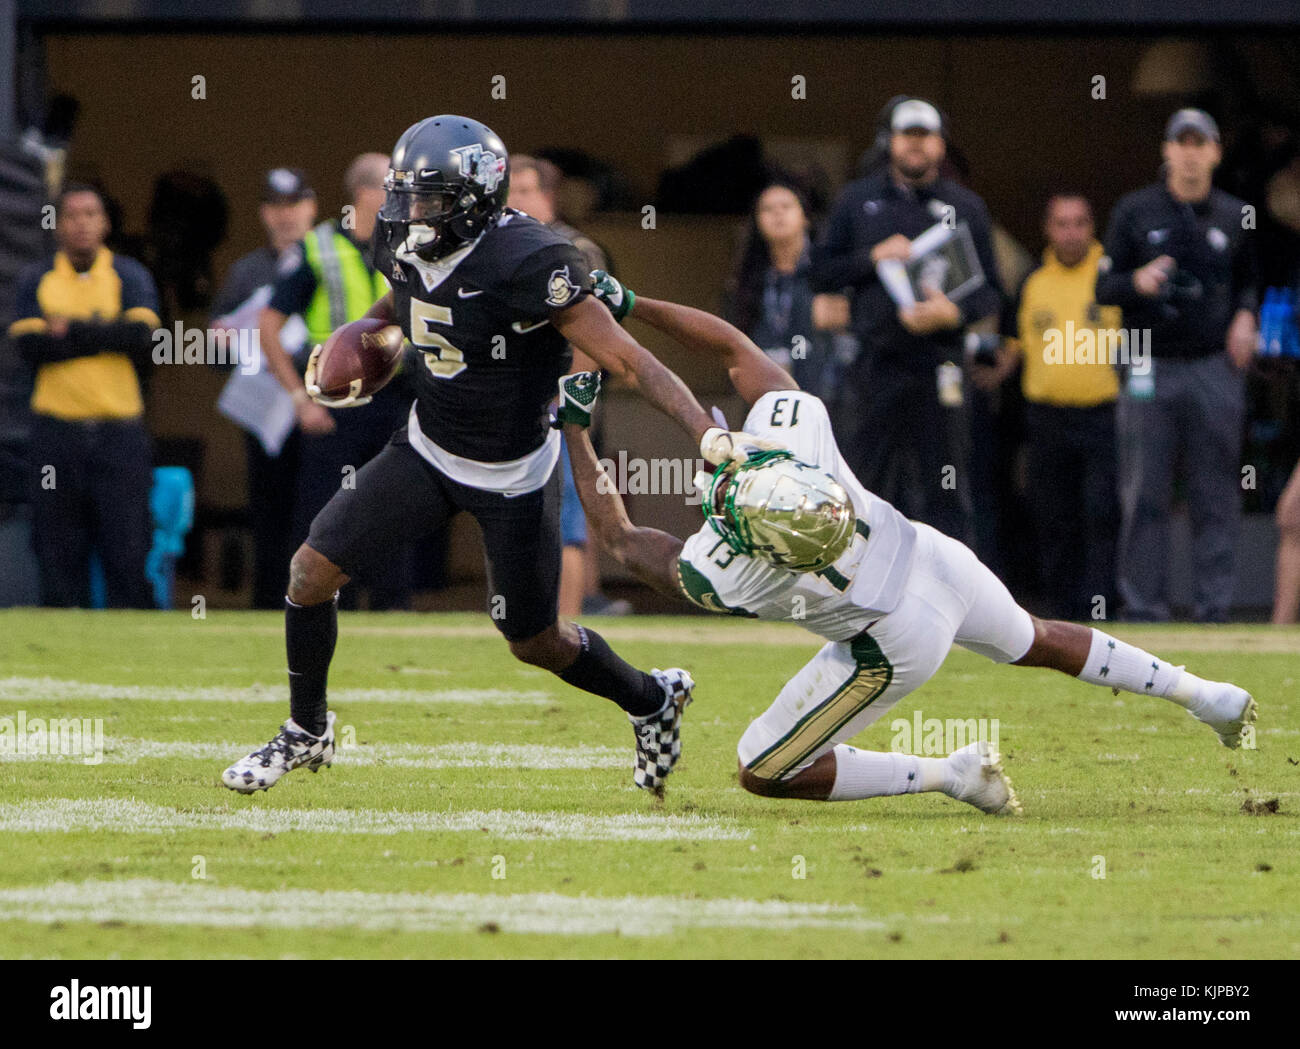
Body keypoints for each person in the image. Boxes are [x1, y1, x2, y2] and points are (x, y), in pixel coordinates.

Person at [559, 272, 1258, 811]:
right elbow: (735, 347)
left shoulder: (734, 571)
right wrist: (631, 303)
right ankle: (1202, 693)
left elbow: (620, 539)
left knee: (763, 768)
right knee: (1037, 637)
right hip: (936, 558)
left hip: (893, 641)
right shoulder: (797, 438)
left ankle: (947, 774)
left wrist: (575, 432)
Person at [222, 116, 769, 796]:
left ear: (476, 197)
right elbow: (408, 295)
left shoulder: (532, 260)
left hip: (513, 471)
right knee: (309, 572)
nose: (410, 211)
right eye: (406, 194)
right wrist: (370, 333)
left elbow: (630, 360)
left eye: (430, 198)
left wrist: (704, 432)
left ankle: (650, 699)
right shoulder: (399, 236)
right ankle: (308, 730)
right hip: (428, 447)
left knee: (533, 638)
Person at [812, 98, 1001, 543]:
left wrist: (953, 312)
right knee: (865, 481)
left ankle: (951, 595)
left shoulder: (966, 206)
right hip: (875, 364)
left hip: (942, 364)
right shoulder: (857, 201)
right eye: (907, 136)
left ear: (941, 144)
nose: (916, 146)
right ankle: (857, 593)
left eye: (926, 136)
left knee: (946, 483)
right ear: (890, 141)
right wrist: (871, 257)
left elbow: (992, 291)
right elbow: (820, 271)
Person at [1096, 109, 1259, 623]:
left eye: (1200, 143)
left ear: (1215, 152)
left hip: (1213, 366)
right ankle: (1145, 608)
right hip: (1147, 358)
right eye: (1181, 143)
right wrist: (1137, 281)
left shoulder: (1237, 215)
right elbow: (1104, 287)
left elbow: (1251, 281)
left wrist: (1247, 317)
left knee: (1215, 491)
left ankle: (1215, 606)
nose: (1190, 153)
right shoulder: (1134, 211)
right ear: (1167, 151)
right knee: (1145, 488)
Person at [257, 152, 416, 610]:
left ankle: (392, 610)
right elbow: (268, 326)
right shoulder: (318, 248)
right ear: (367, 193)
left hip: (395, 399)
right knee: (327, 510)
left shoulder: (408, 245)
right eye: (394, 188)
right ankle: (319, 604)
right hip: (335, 403)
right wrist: (299, 399)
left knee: (397, 504)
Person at [7, 183, 160, 608]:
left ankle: (134, 653)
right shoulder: (36, 277)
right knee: (57, 552)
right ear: (56, 224)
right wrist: (103, 332)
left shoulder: (129, 274)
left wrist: (69, 330)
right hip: (56, 435)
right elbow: (30, 347)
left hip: (118, 436)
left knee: (127, 550)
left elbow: (140, 337)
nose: (81, 223)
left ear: (105, 223)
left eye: (91, 214)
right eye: (71, 215)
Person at [980, 193, 1122, 619]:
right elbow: (1013, 344)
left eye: (1079, 222)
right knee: (1052, 515)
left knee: (1101, 512)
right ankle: (1060, 609)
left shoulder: (1112, 278)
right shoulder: (1032, 282)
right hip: (1046, 418)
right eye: (1062, 223)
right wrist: (991, 376)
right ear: (1048, 228)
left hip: (1103, 415)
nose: (1071, 232)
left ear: (1092, 226)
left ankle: (1100, 607)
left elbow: (1138, 344)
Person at [507, 154, 626, 618]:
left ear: (548, 196)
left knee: (564, 516)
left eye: (524, 190)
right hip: (523, 401)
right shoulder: (508, 245)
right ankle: (569, 612)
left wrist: (567, 399)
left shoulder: (575, 248)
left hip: (560, 403)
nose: (514, 200)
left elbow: (594, 336)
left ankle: (567, 627)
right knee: (543, 513)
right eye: (508, 191)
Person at [209, 167, 318, 609]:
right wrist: (223, 342)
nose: (286, 216)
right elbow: (214, 350)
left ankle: (324, 604)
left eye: (294, 205)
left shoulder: (328, 259)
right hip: (265, 413)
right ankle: (269, 606)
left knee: (322, 515)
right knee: (269, 515)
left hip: (322, 411)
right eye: (276, 206)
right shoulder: (246, 272)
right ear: (263, 213)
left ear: (312, 207)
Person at [725, 182, 843, 402]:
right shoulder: (747, 280)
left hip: (826, 396)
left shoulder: (829, 270)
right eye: (767, 209)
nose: (777, 213)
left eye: (786, 206)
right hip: (766, 399)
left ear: (805, 217)